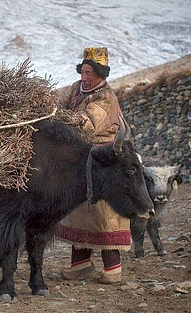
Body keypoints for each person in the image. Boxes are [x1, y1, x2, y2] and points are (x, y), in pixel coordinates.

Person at [52, 47, 129, 284]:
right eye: (82, 71)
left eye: (89, 72)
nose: (84, 77)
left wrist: (57, 119)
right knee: (80, 212)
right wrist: (42, 103)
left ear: (101, 74)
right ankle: (81, 265)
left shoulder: (106, 99)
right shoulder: (77, 89)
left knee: (103, 214)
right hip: (81, 161)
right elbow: (56, 97)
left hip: (104, 162)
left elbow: (85, 125)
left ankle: (112, 268)